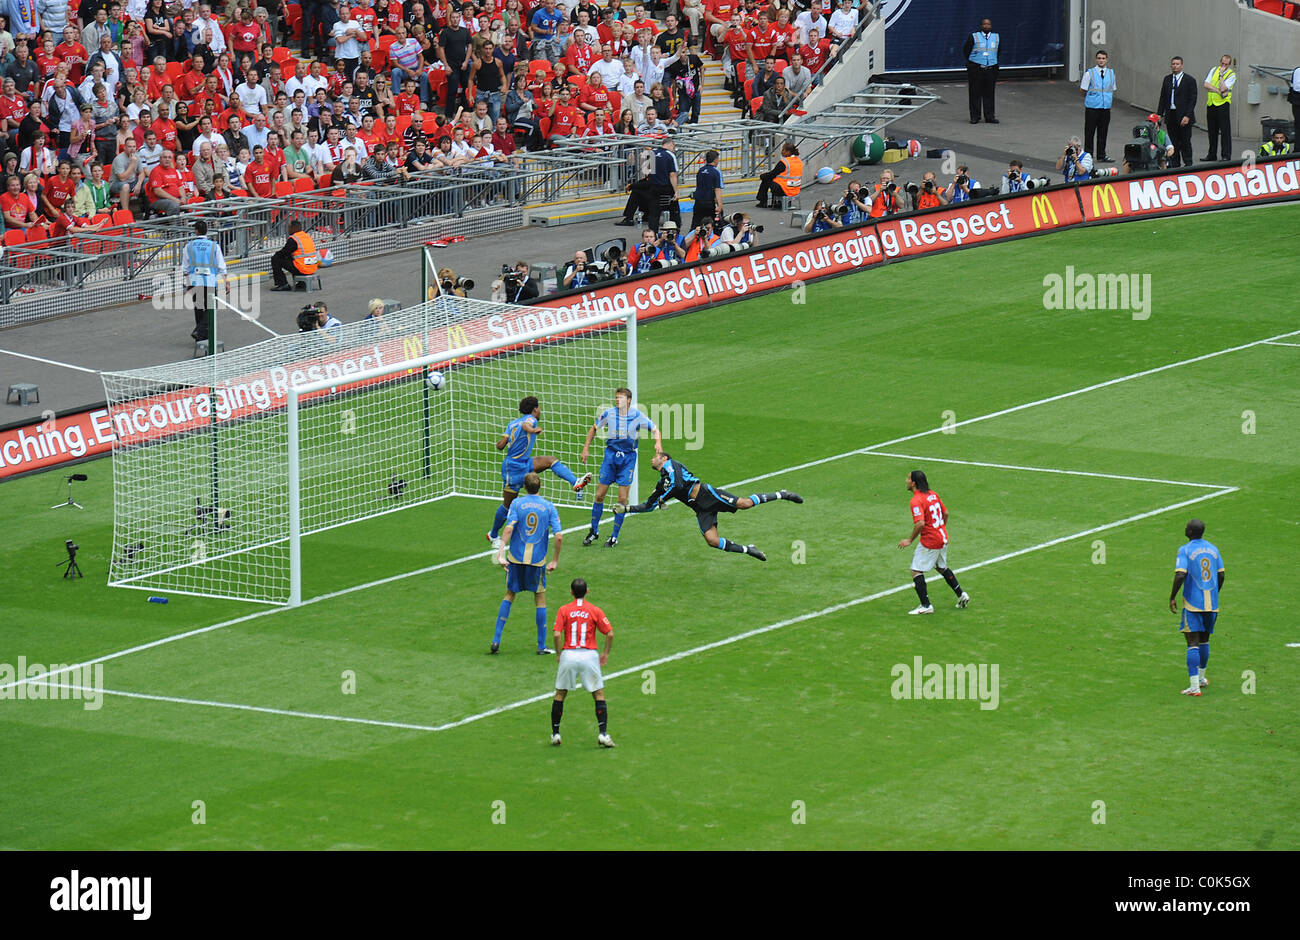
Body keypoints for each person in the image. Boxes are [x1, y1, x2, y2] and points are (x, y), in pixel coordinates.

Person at [614, 452, 802, 560]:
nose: (651, 459)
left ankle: (781, 494)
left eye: (655, 457)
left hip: (707, 494)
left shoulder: (671, 465)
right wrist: (628, 509)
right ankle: (748, 549)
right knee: (712, 540)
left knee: (744, 504)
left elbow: (678, 485)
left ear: (663, 458)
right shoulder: (660, 484)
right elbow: (649, 505)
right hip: (700, 508)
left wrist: (664, 498)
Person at [487, 396, 592, 549]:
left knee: (550, 460)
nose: (540, 410)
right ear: (535, 409)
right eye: (539, 408)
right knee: (507, 505)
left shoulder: (511, 424)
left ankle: (575, 482)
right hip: (513, 468)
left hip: (525, 462)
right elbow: (526, 426)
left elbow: (500, 445)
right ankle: (493, 534)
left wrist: (504, 441)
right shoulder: (531, 419)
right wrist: (533, 430)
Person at [490, 471, 562, 655]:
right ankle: (540, 646)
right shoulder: (548, 507)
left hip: (515, 558)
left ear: (524, 487)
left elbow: (508, 528)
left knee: (509, 595)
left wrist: (500, 553)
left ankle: (496, 640)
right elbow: (559, 536)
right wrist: (554, 560)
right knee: (539, 598)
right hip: (537, 561)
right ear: (541, 486)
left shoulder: (516, 503)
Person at [579, 386, 662, 548]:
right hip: (610, 457)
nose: (617, 400)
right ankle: (593, 531)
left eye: (621, 398)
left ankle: (614, 536)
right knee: (599, 495)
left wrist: (658, 442)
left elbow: (655, 429)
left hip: (628, 460)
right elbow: (594, 429)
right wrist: (585, 448)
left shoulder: (637, 416)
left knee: (622, 499)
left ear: (629, 400)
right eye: (616, 397)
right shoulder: (609, 413)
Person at [549, 578, 615, 747]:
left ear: (571, 592)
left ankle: (556, 734)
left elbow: (557, 634)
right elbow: (610, 633)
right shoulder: (594, 610)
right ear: (587, 591)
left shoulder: (564, 610)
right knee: (598, 694)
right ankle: (603, 734)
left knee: (560, 694)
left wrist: (558, 654)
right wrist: (605, 653)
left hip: (569, 654)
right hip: (589, 655)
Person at [896, 470, 969, 615]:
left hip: (930, 541)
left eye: (908, 478)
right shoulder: (933, 494)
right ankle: (961, 595)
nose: (906, 481)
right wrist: (940, 527)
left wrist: (909, 540)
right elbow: (946, 513)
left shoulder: (916, 500)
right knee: (941, 567)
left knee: (916, 570)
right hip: (942, 537)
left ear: (914, 483)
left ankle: (926, 605)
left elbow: (920, 523)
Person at [1169, 518, 1224, 697]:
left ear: (1190, 532)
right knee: (1204, 640)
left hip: (1193, 604)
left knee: (1192, 642)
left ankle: (1194, 687)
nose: (1184, 528)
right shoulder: (1214, 549)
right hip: (1212, 603)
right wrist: (1215, 592)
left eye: (1186, 527)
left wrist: (1172, 596)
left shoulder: (1184, 550)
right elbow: (1221, 574)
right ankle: (1201, 678)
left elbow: (1180, 574)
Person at [182, 219, 226, 341]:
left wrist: (188, 283)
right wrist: (226, 282)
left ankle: (200, 335)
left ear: (196, 231)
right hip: (210, 281)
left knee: (199, 308)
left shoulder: (188, 246)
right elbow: (221, 265)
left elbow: (185, 267)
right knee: (212, 307)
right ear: (206, 231)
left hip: (195, 281)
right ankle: (200, 331)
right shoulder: (214, 246)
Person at [1157, 56, 1196, 169]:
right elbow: (1163, 98)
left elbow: (1192, 100)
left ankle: (1188, 164)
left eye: (1177, 64)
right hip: (1171, 114)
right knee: (1173, 141)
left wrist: (1187, 115)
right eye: (1173, 64)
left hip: (1184, 115)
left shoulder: (1189, 80)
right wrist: (1160, 114)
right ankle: (1175, 164)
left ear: (1182, 65)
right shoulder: (1167, 79)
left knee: (1185, 141)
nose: (1175, 66)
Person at [1080, 49, 1115, 163]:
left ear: (1107, 60)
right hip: (1092, 107)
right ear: (1096, 59)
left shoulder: (1111, 73)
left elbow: (1112, 88)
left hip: (1105, 108)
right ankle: (1088, 155)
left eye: (1103, 58)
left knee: (1103, 132)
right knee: (1089, 132)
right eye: (1099, 58)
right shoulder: (1089, 73)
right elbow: (1083, 89)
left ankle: (1101, 154)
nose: (1101, 60)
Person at [962, 17, 999, 124]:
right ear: (981, 26)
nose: (986, 26)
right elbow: (966, 50)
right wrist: (973, 63)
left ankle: (989, 116)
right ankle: (975, 116)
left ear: (991, 26)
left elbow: (998, 51)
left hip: (991, 68)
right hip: (977, 68)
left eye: (988, 24)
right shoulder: (974, 36)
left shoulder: (996, 37)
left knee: (989, 93)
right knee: (975, 93)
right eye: (984, 24)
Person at [1201, 54, 1236, 162]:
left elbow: (1224, 87)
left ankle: (1226, 155)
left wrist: (1221, 76)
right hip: (1211, 103)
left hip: (1223, 104)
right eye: (1222, 63)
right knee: (1212, 130)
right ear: (1219, 62)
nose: (1223, 65)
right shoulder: (1213, 69)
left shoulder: (1231, 74)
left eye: (1226, 64)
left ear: (1229, 65)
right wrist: (1218, 91)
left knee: (1225, 131)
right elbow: (1206, 84)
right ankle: (1212, 154)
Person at [270, 219, 320, 291]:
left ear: (293, 228)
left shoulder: (294, 239)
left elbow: (283, 252)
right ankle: (301, 283)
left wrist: (276, 254)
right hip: (313, 267)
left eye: (289, 228)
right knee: (292, 258)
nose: (288, 230)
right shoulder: (307, 236)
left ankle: (283, 284)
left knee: (275, 259)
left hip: (303, 269)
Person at [753, 138, 800, 209]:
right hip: (795, 188)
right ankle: (776, 203)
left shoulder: (784, 162)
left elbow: (772, 174)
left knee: (766, 179)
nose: (781, 152)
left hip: (784, 189)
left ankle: (763, 202)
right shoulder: (799, 161)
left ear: (788, 152)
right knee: (772, 180)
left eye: (783, 150)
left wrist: (762, 176)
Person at [690, 147, 722, 228]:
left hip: (699, 201)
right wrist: (719, 204)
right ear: (715, 160)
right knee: (710, 224)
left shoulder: (701, 170)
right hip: (709, 202)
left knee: (696, 223)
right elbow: (717, 189)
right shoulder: (716, 172)